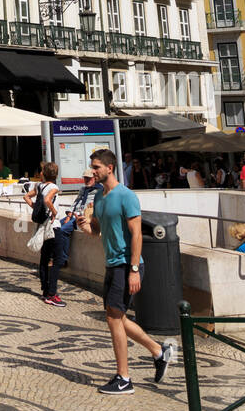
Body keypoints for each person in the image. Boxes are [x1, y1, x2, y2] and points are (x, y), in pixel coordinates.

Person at [78, 149, 174, 394]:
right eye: (93, 167)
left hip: (126, 264)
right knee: (117, 317)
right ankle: (158, 351)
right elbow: (98, 231)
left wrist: (133, 269)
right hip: (112, 264)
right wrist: (86, 226)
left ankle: (124, 378)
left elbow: (136, 234)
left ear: (110, 168)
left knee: (113, 319)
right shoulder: (99, 197)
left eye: (97, 167)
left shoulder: (126, 196)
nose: (93, 171)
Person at [23, 162, 66, 306]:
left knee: (44, 258)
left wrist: (35, 207)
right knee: (58, 259)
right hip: (53, 227)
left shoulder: (39, 186)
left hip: (42, 226)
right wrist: (54, 212)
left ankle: (45, 291)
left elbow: (26, 197)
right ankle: (52, 294)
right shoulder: (54, 187)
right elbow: (48, 200)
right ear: (56, 175)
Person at [59, 168, 103, 268]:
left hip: (83, 217)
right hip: (73, 214)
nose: (86, 180)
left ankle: (63, 260)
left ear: (94, 179)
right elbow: (76, 202)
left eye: (89, 178)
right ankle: (54, 256)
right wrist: (69, 214)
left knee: (63, 230)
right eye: (85, 178)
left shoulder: (99, 190)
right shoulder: (83, 189)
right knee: (55, 226)